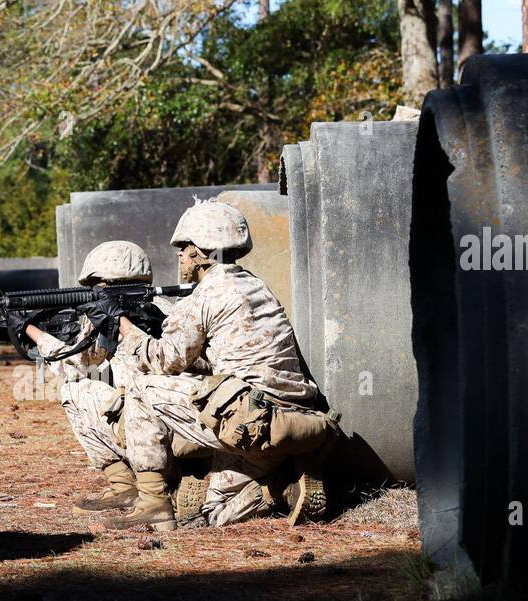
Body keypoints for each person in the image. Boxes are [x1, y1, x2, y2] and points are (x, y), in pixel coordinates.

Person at [94, 200, 334, 531]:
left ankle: (153, 502)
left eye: (184, 247)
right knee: (212, 511)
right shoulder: (256, 286)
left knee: (139, 388)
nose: (179, 254)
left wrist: (121, 324)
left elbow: (164, 360)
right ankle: (280, 485)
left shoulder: (206, 294)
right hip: (290, 420)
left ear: (202, 251)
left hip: (246, 423)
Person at [19, 240, 161, 514]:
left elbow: (74, 365)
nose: (92, 293)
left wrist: (30, 331)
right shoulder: (167, 307)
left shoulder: (114, 317)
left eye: (98, 286)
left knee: (75, 391)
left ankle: (125, 487)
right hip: (178, 423)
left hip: (146, 427)